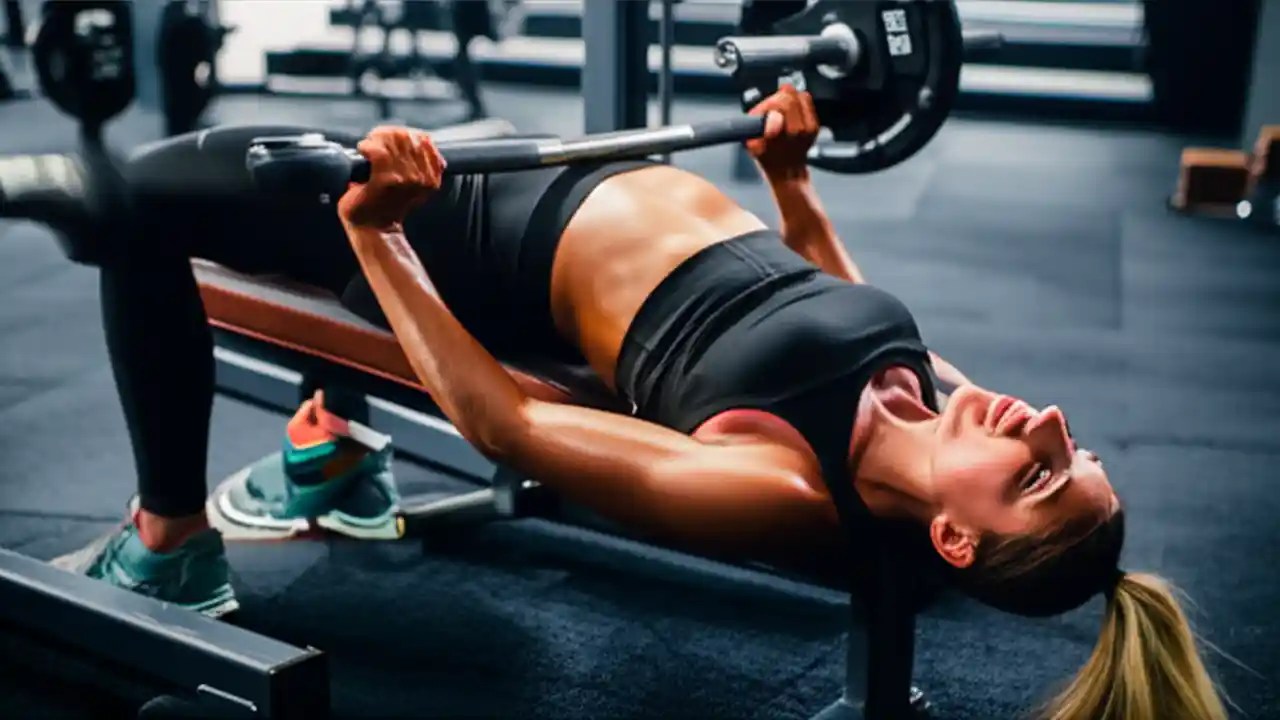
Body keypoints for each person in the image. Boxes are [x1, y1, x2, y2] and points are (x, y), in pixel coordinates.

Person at [45, 86, 1225, 719]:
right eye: (1074, 450)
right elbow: (844, 296)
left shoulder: (780, 482)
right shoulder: (936, 405)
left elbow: (512, 431)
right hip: (555, 162)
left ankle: (170, 546)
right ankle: (335, 451)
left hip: (479, 240)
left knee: (129, 197)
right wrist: (789, 182)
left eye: (1036, 476)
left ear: (954, 537)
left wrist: (379, 234)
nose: (1047, 427)